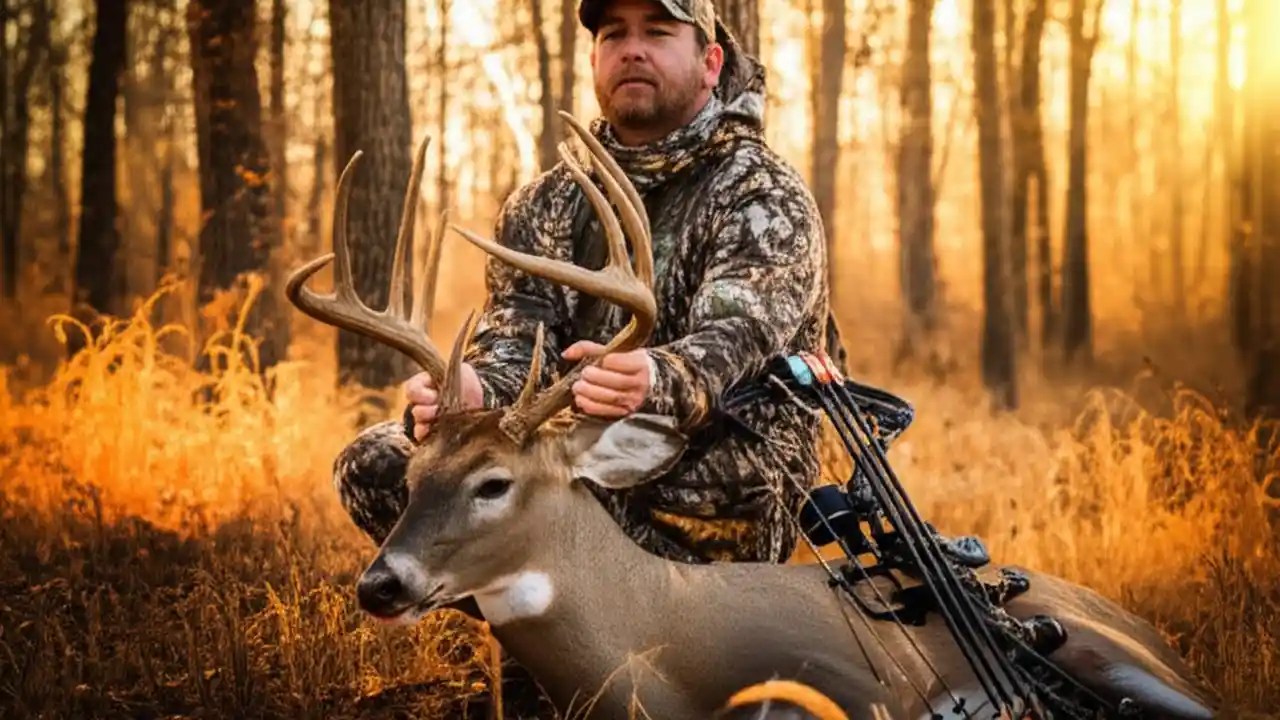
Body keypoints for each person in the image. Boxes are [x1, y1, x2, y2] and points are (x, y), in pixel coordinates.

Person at [331, 0, 837, 715]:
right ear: (595, 58)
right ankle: (551, 638)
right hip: (570, 456)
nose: (632, 50)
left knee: (712, 487)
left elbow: (742, 335)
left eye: (658, 33)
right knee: (381, 463)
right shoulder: (543, 205)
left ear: (711, 61)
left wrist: (657, 376)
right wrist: (473, 389)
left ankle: (665, 662)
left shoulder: (763, 194)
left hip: (718, 462)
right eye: (612, 35)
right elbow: (513, 343)